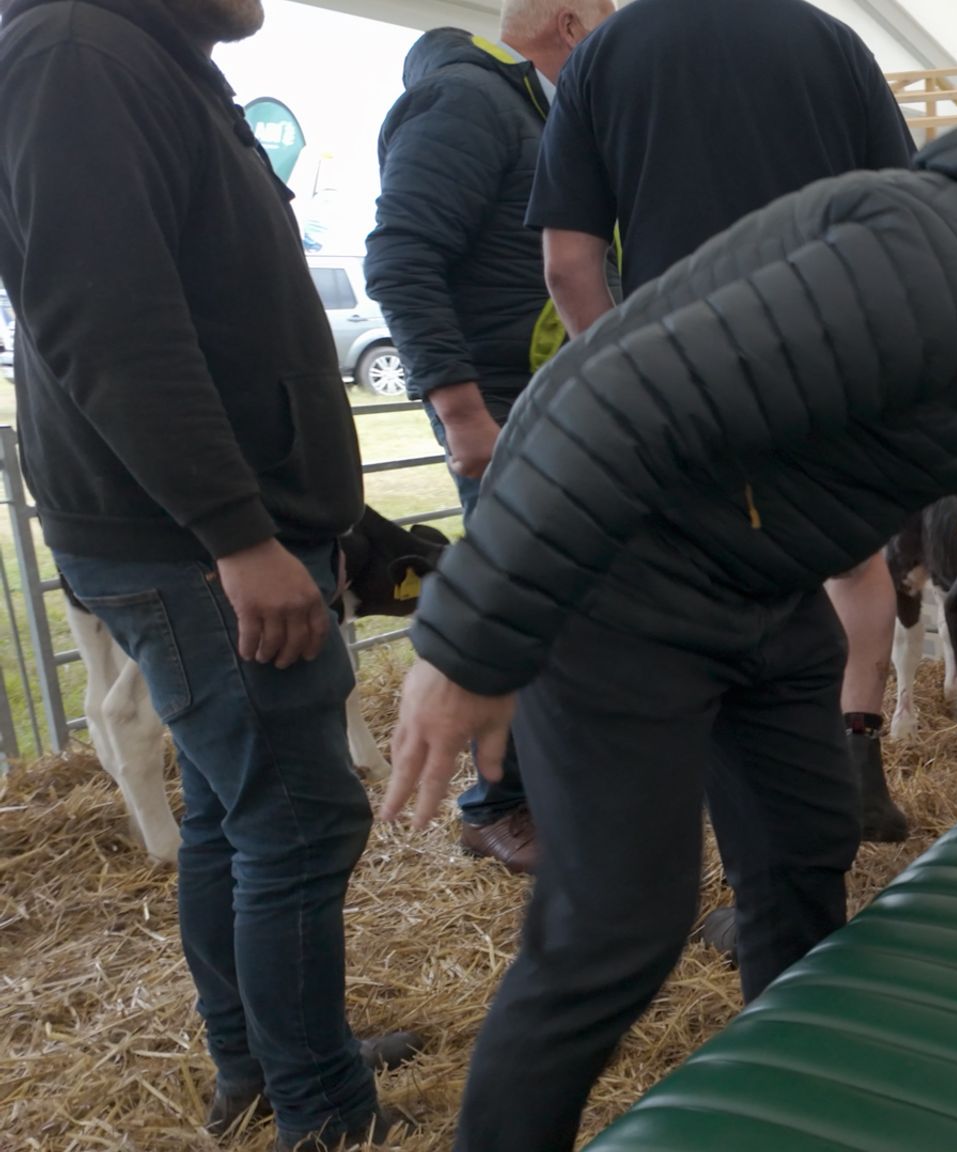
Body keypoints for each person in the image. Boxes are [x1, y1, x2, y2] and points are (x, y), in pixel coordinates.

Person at [376, 126, 957, 1152]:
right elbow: (615, 400)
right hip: (620, 585)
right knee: (615, 929)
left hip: (753, 580)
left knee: (806, 848)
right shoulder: (932, 269)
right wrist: (468, 642)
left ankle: (793, 1115)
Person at [0, 0, 419, 1145]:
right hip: (183, 543)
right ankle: (324, 1112)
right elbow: (107, 321)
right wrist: (237, 534)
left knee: (243, 816)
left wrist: (313, 505)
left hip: (197, 527)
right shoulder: (79, 53)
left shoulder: (144, 59)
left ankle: (266, 1059)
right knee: (296, 820)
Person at [526, 0, 921, 845]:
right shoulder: (833, 43)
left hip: (686, 392)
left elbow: (567, 265)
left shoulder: (603, 57)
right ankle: (855, 775)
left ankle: (753, 841)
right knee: (852, 567)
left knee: (720, 596)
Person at [364, 0, 614, 874]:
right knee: (519, 596)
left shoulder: (530, 110)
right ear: (577, 23)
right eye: (611, 15)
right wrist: (465, 415)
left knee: (567, 601)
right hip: (506, 414)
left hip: (552, 405)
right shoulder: (469, 102)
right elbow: (399, 256)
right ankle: (499, 805)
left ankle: (555, 786)